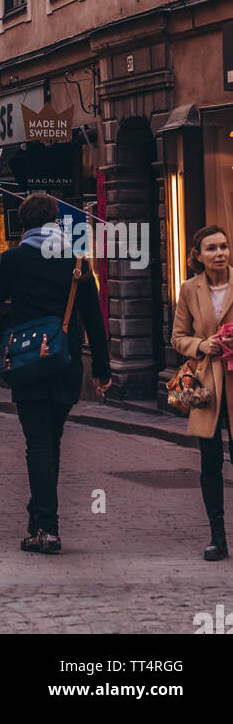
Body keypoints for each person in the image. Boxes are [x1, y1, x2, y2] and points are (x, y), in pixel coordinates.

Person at [0, 192, 111, 555]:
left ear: (22, 223)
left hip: (28, 363)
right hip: (66, 364)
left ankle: (46, 528)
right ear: (55, 220)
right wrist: (101, 369)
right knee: (50, 441)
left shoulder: (14, 258)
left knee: (38, 443)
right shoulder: (76, 261)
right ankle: (39, 515)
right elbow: (94, 319)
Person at [171, 225, 233, 560]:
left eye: (224, 246)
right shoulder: (190, 289)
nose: (220, 253)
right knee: (210, 462)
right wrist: (201, 345)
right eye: (212, 248)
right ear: (198, 255)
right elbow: (177, 336)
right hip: (207, 385)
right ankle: (217, 537)